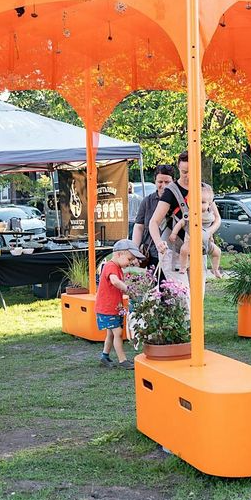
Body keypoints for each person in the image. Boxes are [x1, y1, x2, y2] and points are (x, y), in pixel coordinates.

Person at [97, 239, 138, 369]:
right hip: (107, 308)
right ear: (119, 254)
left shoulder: (117, 267)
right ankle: (123, 360)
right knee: (118, 333)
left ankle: (105, 356)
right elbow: (114, 281)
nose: (130, 262)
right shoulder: (111, 267)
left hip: (114, 307)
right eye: (129, 259)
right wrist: (128, 290)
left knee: (111, 333)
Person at [147, 151, 192, 273]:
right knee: (181, 292)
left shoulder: (204, 188)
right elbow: (154, 221)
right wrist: (158, 242)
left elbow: (216, 217)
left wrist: (209, 233)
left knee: (198, 291)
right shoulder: (171, 191)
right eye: (184, 172)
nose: (187, 176)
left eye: (191, 171)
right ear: (179, 168)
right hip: (174, 250)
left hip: (196, 250)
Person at [169, 182, 224, 279]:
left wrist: (210, 236)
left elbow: (210, 227)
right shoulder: (191, 214)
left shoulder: (210, 215)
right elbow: (181, 223)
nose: (199, 205)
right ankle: (183, 267)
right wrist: (174, 233)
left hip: (206, 243)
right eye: (196, 202)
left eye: (202, 202)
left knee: (217, 252)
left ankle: (215, 269)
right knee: (184, 250)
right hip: (191, 241)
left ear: (209, 204)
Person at [131, 166, 175, 272]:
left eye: (167, 182)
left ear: (173, 182)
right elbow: (139, 227)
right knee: (154, 286)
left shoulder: (178, 200)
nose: (163, 186)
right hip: (152, 254)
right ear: (155, 181)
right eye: (160, 181)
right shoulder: (147, 201)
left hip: (174, 254)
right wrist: (134, 251)